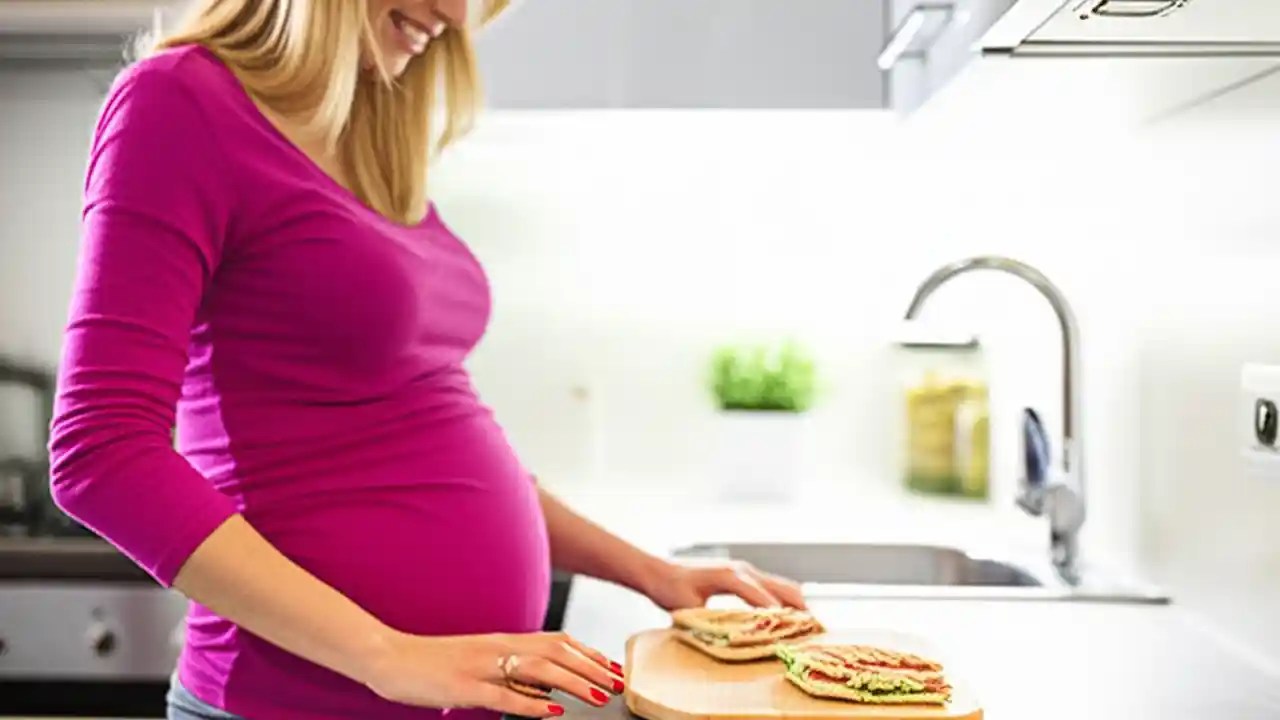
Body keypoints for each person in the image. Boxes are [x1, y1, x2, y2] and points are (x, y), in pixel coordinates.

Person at [46, 1, 806, 718]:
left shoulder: (362, 145)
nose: (453, 15)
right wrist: (389, 655)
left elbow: (418, 431)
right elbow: (102, 454)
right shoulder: (179, 103)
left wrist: (651, 572)